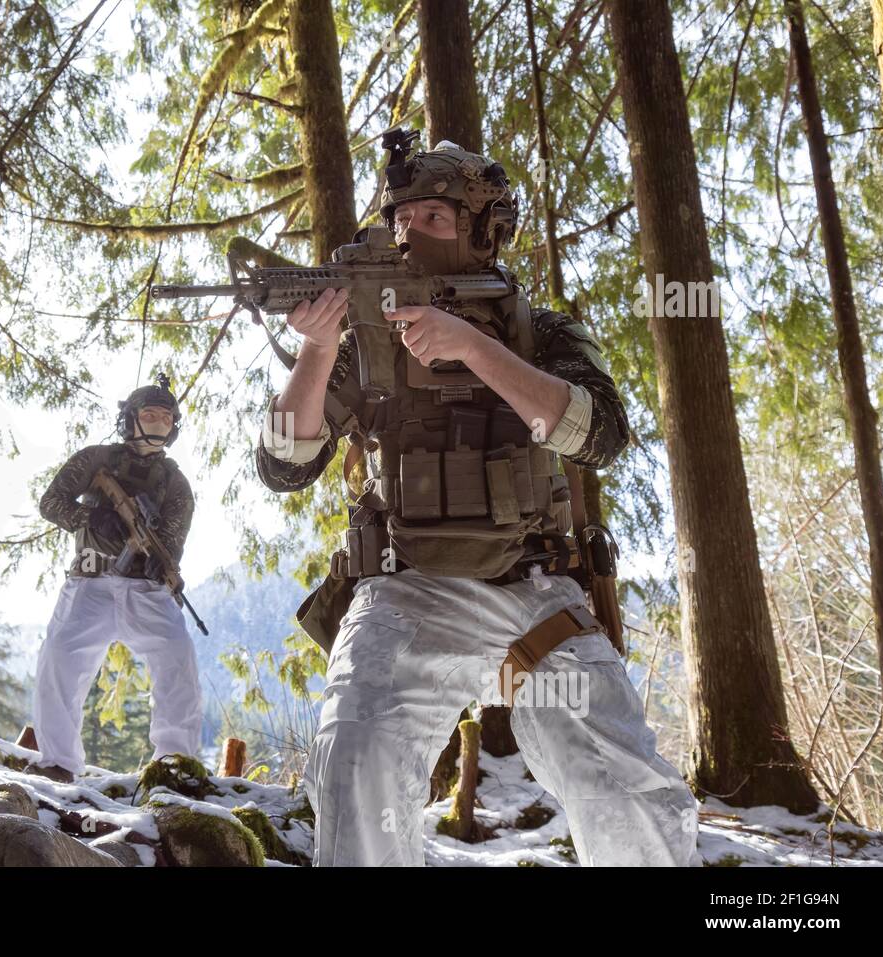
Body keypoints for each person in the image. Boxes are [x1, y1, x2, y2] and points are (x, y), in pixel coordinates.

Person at [255, 133, 698, 866]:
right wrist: (316, 350)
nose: (408, 232)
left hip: (534, 590)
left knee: (625, 787)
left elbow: (601, 434)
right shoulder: (365, 334)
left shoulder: (535, 327)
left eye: (433, 215)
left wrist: (474, 347)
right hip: (407, 589)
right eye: (400, 217)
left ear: (483, 230)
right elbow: (283, 462)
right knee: (357, 759)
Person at [27, 375, 203, 783]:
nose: (158, 423)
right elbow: (50, 503)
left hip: (146, 589)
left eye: (165, 417)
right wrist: (93, 517)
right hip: (89, 583)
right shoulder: (96, 460)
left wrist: (165, 564)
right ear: (130, 419)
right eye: (149, 414)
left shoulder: (176, 484)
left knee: (178, 661)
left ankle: (174, 767)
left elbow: (172, 542)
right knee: (59, 660)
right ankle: (58, 762)